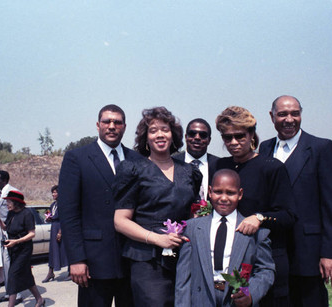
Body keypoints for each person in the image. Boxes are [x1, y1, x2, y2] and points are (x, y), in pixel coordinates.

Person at [258, 95, 332, 307]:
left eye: (295, 113)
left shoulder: (320, 148)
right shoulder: (265, 148)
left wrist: (330, 254)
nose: (289, 119)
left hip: (308, 252)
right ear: (271, 117)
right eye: (283, 114)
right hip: (274, 250)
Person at [113, 106, 202, 307]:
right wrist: (157, 239)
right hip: (147, 261)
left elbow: (193, 210)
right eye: (153, 131)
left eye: (165, 129)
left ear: (173, 135)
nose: (160, 134)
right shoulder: (133, 169)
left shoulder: (189, 171)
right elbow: (120, 221)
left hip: (184, 256)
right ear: (146, 138)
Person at [58, 104, 141, 307]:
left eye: (117, 122)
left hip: (131, 259)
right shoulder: (77, 158)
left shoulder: (137, 160)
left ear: (125, 126)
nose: (112, 126)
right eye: (107, 121)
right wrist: (77, 259)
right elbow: (69, 213)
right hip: (94, 261)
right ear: (98, 125)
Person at [215, 106, 296, 306]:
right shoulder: (220, 166)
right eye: (227, 137)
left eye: (240, 136)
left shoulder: (272, 167)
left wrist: (259, 218)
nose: (233, 142)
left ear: (251, 134)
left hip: (265, 260)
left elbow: (288, 215)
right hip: (230, 259)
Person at [176, 169, 275, 307]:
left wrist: (250, 294)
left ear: (240, 194)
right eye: (218, 192)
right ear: (210, 191)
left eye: (230, 193)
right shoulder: (192, 228)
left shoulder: (255, 232)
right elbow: (183, 278)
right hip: (201, 299)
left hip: (236, 300)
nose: (223, 198)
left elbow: (265, 270)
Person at [0, 190, 45, 307]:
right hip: (13, 249)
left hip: (24, 249)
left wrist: (16, 241)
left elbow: (32, 233)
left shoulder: (27, 214)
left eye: (9, 202)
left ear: (16, 203)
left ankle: (10, 305)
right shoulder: (11, 213)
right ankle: (39, 299)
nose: (7, 205)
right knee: (26, 275)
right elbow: (6, 228)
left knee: (13, 274)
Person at [0, 170, 23, 304]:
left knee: (11, 264)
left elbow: (19, 211)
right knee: (6, 265)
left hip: (11, 233)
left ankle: (17, 294)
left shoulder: (12, 192)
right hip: (2, 232)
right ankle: (9, 292)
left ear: (4, 180)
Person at [174, 118, 220, 200]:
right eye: (192, 134)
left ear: (209, 140)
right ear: (186, 137)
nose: (197, 138)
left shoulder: (220, 165)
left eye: (203, 135)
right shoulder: (173, 162)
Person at [43, 185, 68, 282]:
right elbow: (49, 214)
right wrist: (48, 218)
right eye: (52, 192)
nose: (53, 194)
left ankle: (70, 271)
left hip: (60, 228)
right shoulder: (53, 205)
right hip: (54, 227)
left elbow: (64, 219)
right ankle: (50, 272)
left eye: (55, 192)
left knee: (64, 250)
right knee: (53, 250)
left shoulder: (63, 204)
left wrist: (60, 232)